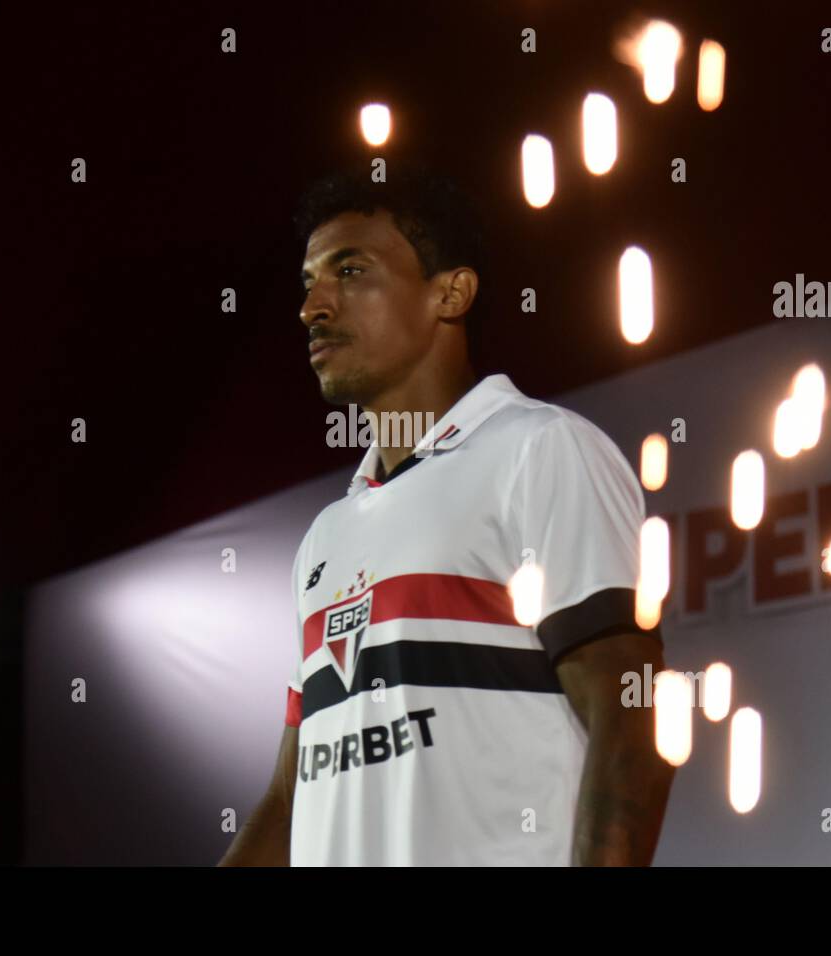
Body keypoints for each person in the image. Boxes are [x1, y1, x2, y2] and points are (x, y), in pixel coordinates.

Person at [218, 164, 673, 866]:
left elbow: (630, 716)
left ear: (450, 293)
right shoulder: (325, 539)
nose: (313, 306)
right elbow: (289, 797)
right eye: (308, 282)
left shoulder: (539, 449)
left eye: (350, 270)